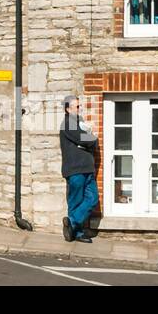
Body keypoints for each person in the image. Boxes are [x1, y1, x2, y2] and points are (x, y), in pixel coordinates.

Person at [60, 95, 98, 243]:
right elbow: (85, 139)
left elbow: (88, 141)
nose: (79, 108)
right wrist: (92, 138)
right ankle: (78, 233)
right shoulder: (68, 124)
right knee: (75, 201)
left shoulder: (79, 123)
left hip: (87, 169)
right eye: (77, 106)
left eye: (79, 106)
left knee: (92, 198)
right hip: (75, 170)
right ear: (68, 109)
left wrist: (90, 140)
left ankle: (72, 223)